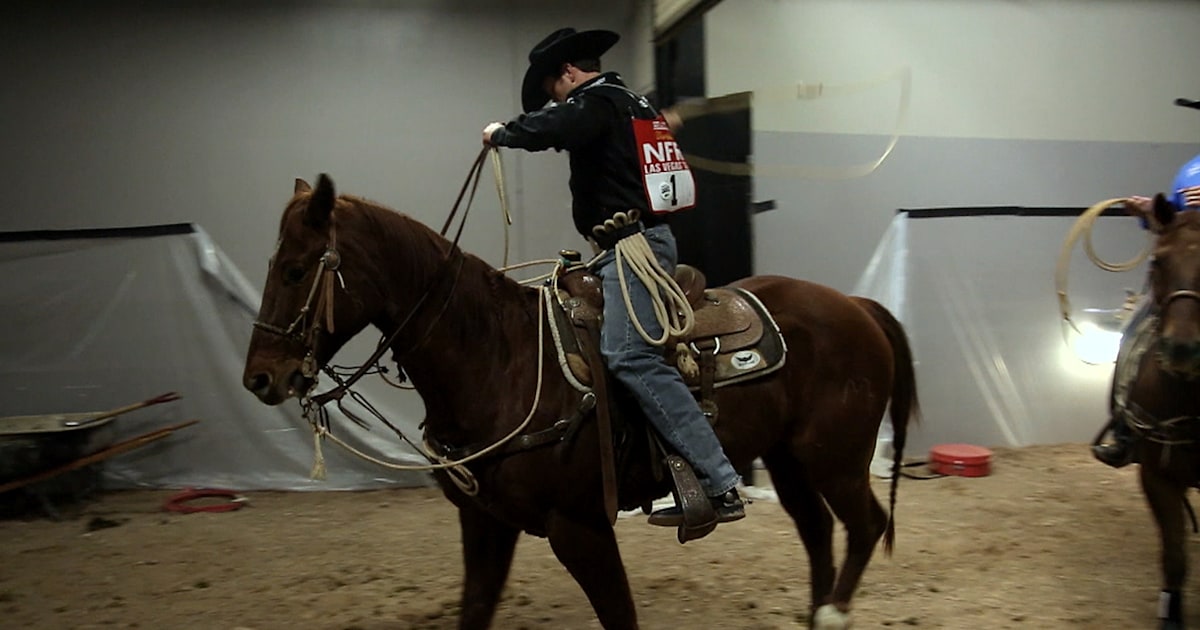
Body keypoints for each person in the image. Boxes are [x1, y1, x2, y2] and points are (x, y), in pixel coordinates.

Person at [481, 27, 744, 526]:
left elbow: (553, 127)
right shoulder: (629, 104)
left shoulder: (599, 101)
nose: (553, 101)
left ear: (567, 74)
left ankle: (719, 482)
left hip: (634, 246)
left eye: (552, 91)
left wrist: (503, 133)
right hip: (620, 248)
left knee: (629, 354)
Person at [1092, 152, 1200, 467]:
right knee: (1134, 336)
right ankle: (1125, 428)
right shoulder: (1191, 168)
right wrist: (1150, 211)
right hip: (1186, 279)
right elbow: (1176, 223)